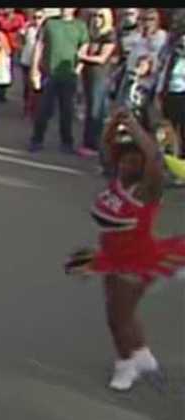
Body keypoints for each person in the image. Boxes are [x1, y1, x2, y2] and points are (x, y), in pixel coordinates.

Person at [64, 110, 185, 390]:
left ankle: (126, 364)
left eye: (133, 162)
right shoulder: (119, 179)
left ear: (143, 167)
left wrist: (135, 128)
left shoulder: (146, 190)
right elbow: (107, 146)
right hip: (112, 256)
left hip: (135, 260)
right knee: (122, 312)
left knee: (118, 318)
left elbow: (154, 157)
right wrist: (115, 123)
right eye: (124, 160)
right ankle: (142, 355)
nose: (125, 165)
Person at [28, 8, 89, 153]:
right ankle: (37, 140)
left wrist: (77, 70)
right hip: (50, 74)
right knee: (43, 109)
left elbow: (83, 49)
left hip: (69, 74)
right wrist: (34, 68)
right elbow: (39, 45)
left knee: (66, 111)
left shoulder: (80, 26)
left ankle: (67, 142)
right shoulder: (50, 23)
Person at [78, 10, 118, 157]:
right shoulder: (91, 34)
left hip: (101, 75)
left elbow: (102, 58)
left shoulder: (109, 35)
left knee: (97, 110)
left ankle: (94, 144)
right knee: (90, 108)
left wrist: (82, 56)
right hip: (88, 74)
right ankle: (88, 142)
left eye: (101, 16)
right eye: (94, 16)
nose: (97, 19)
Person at [0, 8, 27, 103]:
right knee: (1, 70)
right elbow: (2, 27)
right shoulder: (1, 17)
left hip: (15, 47)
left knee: (9, 70)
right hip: (3, 46)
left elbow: (23, 30)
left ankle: (2, 92)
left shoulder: (19, 17)